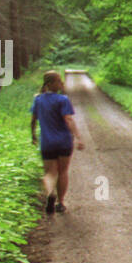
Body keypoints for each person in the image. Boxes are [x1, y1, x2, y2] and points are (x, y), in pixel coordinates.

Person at [30, 70, 85, 215]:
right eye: (59, 81)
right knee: (63, 172)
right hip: (64, 142)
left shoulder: (38, 100)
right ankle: (60, 202)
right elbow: (68, 119)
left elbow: (33, 120)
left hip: (47, 142)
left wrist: (33, 136)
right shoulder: (63, 100)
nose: (61, 83)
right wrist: (78, 137)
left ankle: (50, 195)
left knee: (49, 173)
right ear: (51, 84)